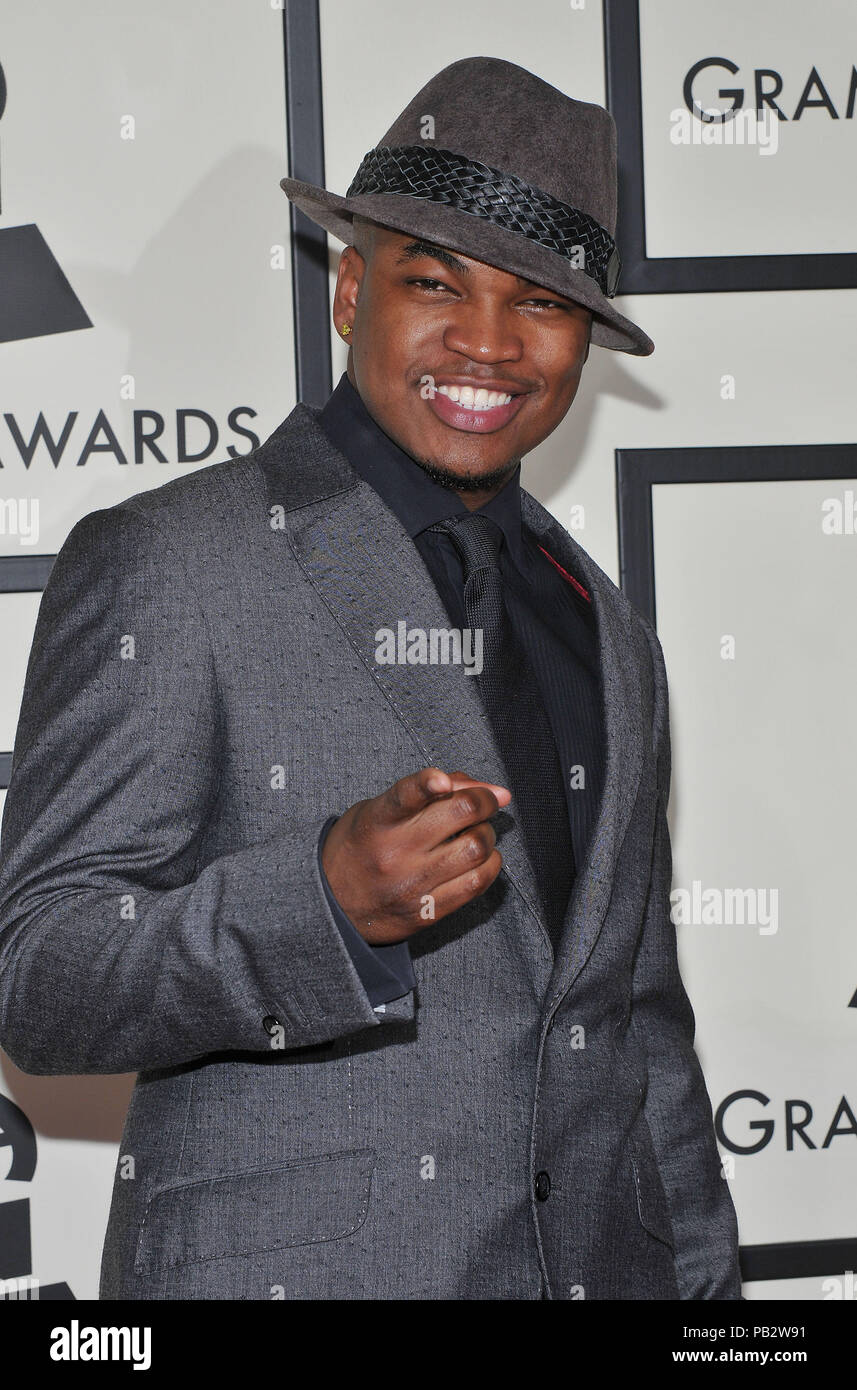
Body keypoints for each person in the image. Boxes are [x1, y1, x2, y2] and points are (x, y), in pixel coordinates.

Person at [0, 56, 741, 1299]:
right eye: (436, 283)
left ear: (582, 344)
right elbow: (41, 980)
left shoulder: (605, 630)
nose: (488, 343)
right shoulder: (168, 563)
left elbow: (634, 1034)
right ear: (349, 291)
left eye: (541, 304)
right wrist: (320, 906)